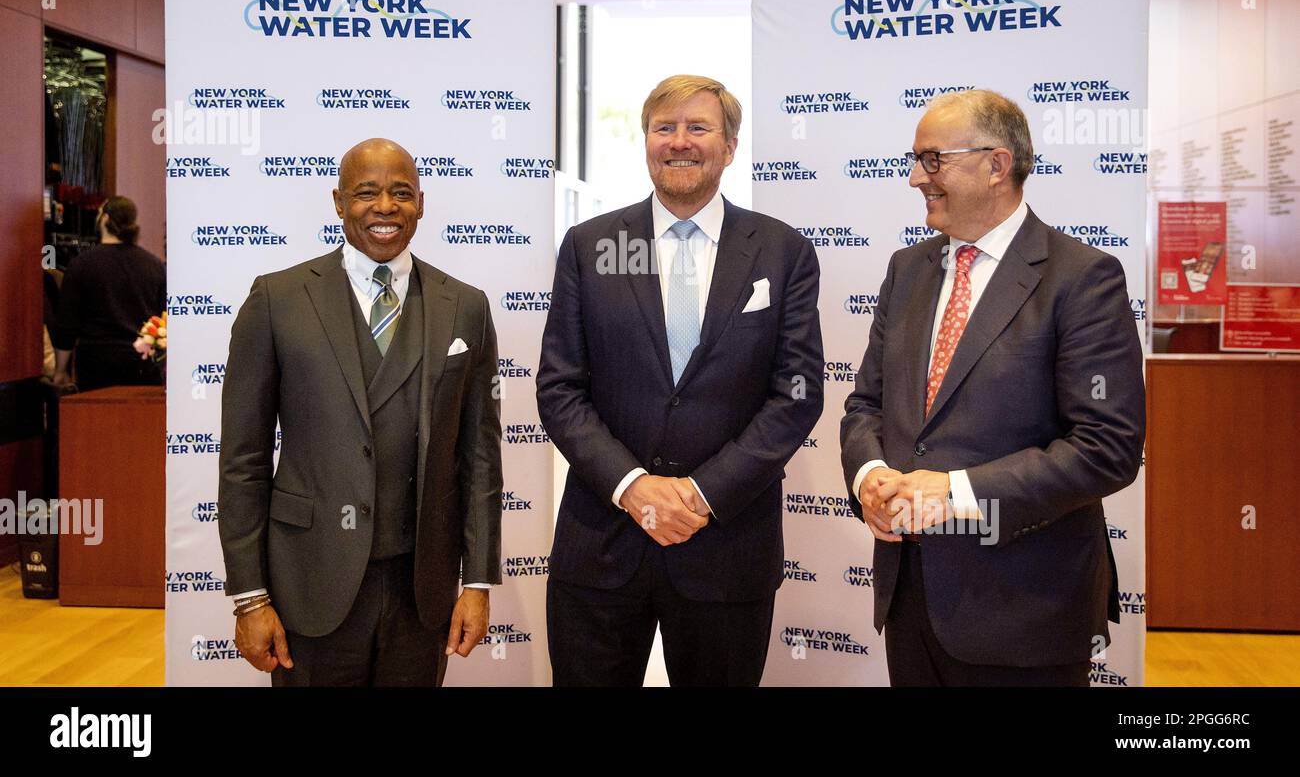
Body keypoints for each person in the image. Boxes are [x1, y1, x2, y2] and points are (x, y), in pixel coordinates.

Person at [840, 89, 1144, 686]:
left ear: (996, 164)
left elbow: (1107, 447)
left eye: (932, 161)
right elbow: (865, 405)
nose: (912, 178)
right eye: (914, 159)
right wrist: (867, 476)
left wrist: (954, 493)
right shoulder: (908, 269)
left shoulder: (1082, 278)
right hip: (910, 599)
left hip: (1026, 612)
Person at [538, 74, 824, 686]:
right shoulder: (593, 245)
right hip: (602, 545)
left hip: (726, 547)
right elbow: (560, 389)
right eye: (663, 128)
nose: (679, 142)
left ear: (729, 145)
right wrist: (634, 486)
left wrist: (700, 495)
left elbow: (796, 395)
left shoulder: (782, 251)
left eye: (698, 128)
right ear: (645, 141)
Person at [218, 138, 502, 686]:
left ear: (422, 201)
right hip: (309, 582)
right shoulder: (277, 299)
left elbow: (480, 456)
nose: (385, 207)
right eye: (366, 193)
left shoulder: (465, 305)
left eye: (401, 193)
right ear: (338, 202)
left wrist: (479, 581)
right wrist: (249, 598)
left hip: (422, 589)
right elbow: (243, 460)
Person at [51, 196, 165, 392]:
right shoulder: (154, 265)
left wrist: (60, 370)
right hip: (142, 361)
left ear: (104, 219)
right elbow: (163, 316)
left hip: (96, 364)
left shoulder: (81, 265)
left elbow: (67, 324)